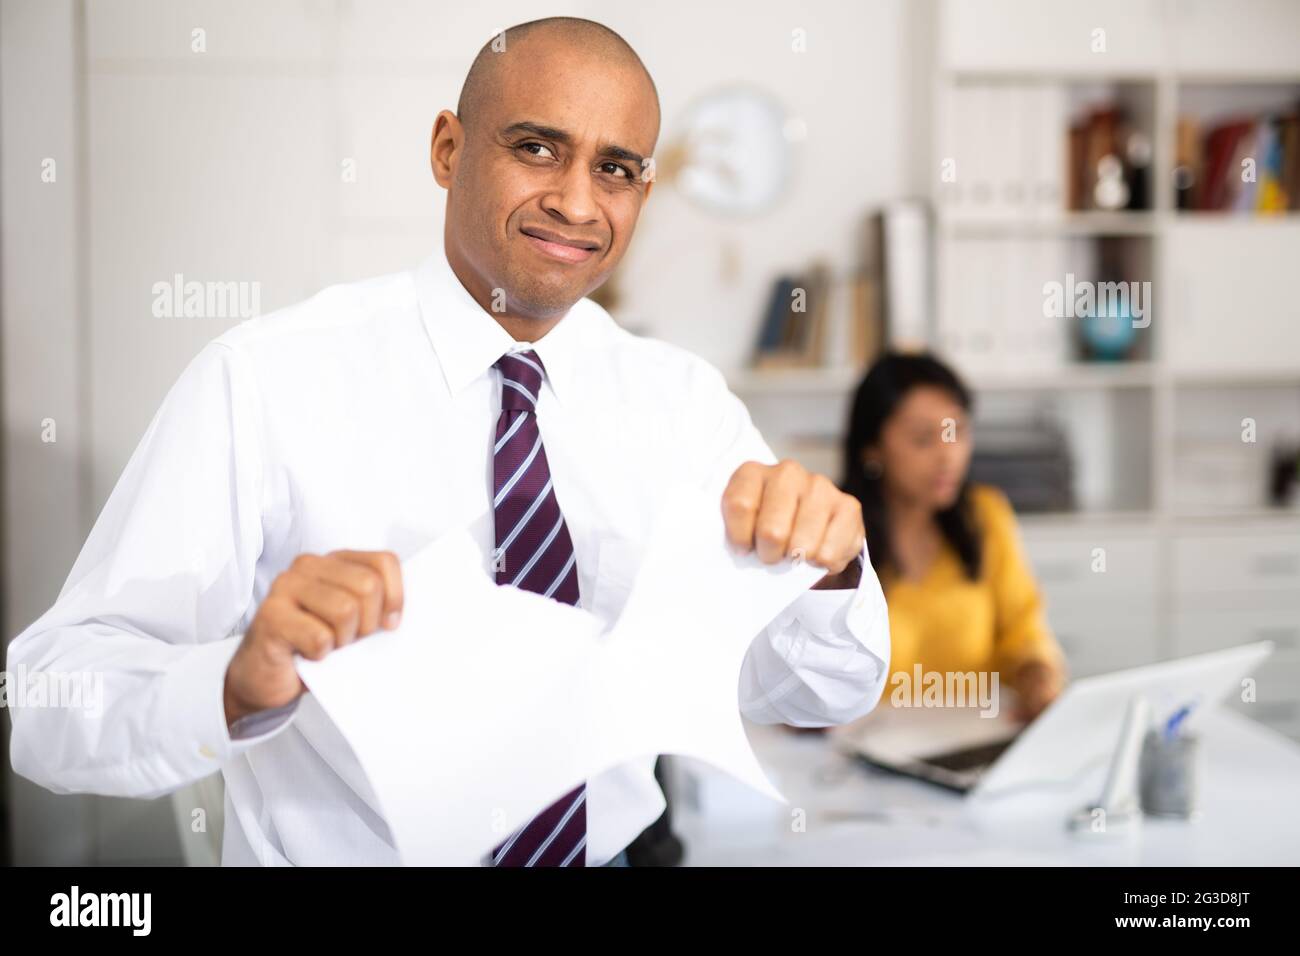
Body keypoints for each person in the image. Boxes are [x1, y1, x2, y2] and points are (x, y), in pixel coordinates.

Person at [6, 17, 890, 867]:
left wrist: (831, 569)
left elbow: (821, 692)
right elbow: (50, 704)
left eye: (614, 169)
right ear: (448, 150)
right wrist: (235, 681)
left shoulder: (685, 404)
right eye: (536, 147)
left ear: (642, 192)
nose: (576, 201)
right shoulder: (264, 381)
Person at [840, 352, 1066, 722]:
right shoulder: (836, 533)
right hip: (856, 757)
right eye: (923, 439)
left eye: (957, 431)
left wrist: (1038, 678)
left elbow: (1025, 633)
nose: (949, 456)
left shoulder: (985, 515)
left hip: (970, 744)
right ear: (872, 447)